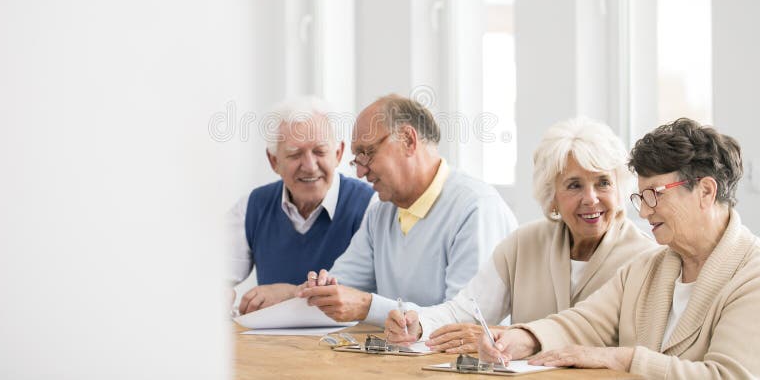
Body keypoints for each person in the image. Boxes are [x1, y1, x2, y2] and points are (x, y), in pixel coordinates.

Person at [480, 118, 760, 379]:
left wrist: (625, 360)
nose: (646, 212)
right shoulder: (646, 269)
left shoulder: (752, 275)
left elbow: (726, 375)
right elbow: (584, 322)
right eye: (641, 197)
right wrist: (524, 339)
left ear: (706, 192)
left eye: (655, 195)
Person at [385, 117, 657, 353]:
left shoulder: (645, 258)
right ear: (552, 197)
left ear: (619, 189)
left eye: (603, 183)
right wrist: (417, 323)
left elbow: (635, 351)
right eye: (574, 185)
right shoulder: (523, 243)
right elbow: (465, 311)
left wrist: (520, 339)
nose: (591, 198)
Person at [298, 94, 518, 327]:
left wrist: (367, 307)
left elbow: (465, 320)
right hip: (401, 360)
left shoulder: (476, 208)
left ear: (408, 140)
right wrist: (323, 291)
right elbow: (344, 286)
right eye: (356, 159)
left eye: (367, 153)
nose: (360, 172)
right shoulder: (380, 212)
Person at [227, 96, 375, 314]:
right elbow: (209, 273)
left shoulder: (371, 205)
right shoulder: (252, 207)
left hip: (348, 344)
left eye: (319, 151)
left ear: (338, 153)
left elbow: (374, 295)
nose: (309, 165)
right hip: (274, 345)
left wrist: (291, 294)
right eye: (295, 154)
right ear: (274, 161)